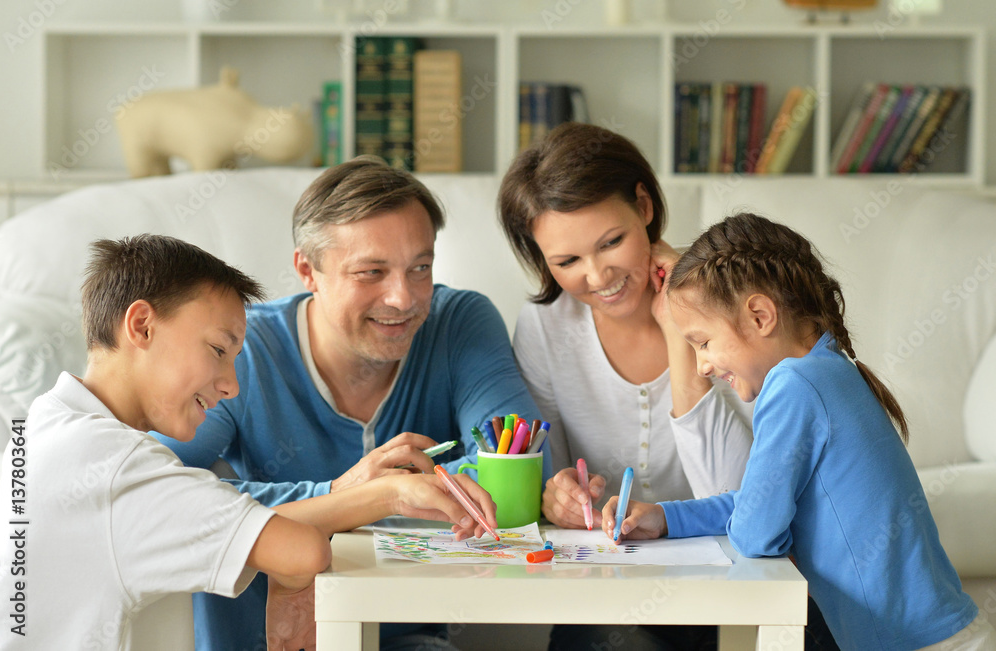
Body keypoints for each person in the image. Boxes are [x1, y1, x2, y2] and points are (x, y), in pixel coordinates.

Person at [0, 234, 497, 650]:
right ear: (141, 325)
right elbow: (298, 550)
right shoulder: (117, 466)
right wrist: (387, 493)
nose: (231, 385)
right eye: (218, 349)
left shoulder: (43, 429)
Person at [156, 157, 549, 650]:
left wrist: (375, 496)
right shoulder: (246, 349)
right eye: (372, 272)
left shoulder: (458, 323)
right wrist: (348, 495)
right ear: (307, 269)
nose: (404, 299)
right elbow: (161, 496)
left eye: (420, 268)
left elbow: (521, 466)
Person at [604, 213, 995, 650]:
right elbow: (760, 502)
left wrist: (769, 524)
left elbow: (756, 532)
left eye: (703, 342)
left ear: (759, 315)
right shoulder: (828, 371)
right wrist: (665, 518)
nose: (702, 366)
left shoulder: (794, 385)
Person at [499, 123, 753, 651]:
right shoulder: (545, 328)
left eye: (610, 242)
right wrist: (559, 497)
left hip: (726, 580)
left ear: (644, 205)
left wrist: (678, 331)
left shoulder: (735, 304)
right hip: (604, 589)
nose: (597, 277)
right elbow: (557, 480)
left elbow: (733, 499)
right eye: (566, 261)